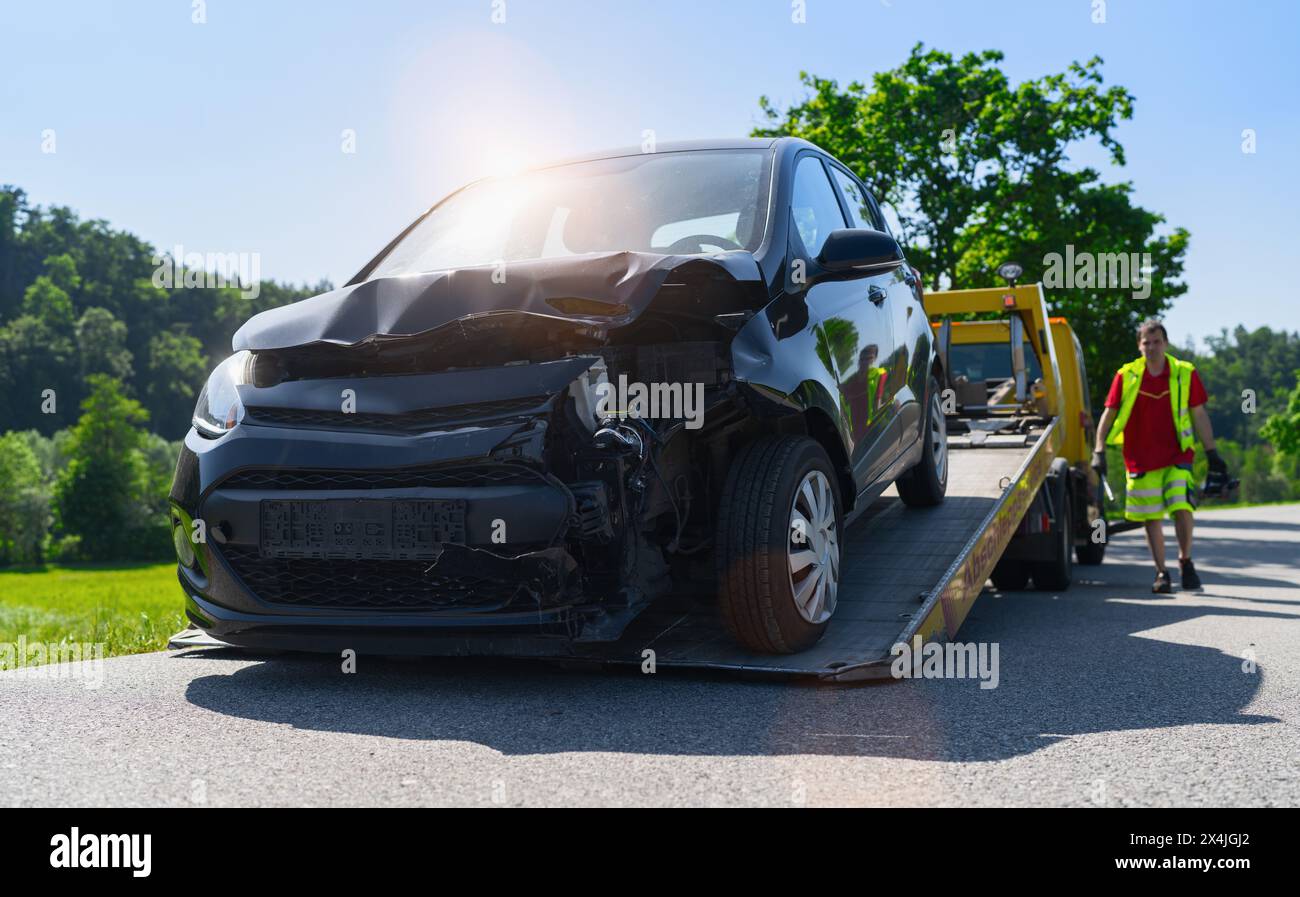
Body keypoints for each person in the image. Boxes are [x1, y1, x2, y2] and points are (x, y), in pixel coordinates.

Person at [1092, 318, 1228, 593]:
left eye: (1157, 342)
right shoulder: (1127, 375)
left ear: (1166, 343)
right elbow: (1110, 413)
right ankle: (1162, 573)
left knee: (1182, 507)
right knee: (1151, 516)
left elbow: (1198, 413)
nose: (1152, 347)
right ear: (1139, 346)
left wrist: (1212, 451)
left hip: (1178, 453)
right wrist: (1098, 450)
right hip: (1140, 458)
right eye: (1146, 343)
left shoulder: (1184, 372)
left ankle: (1185, 561)